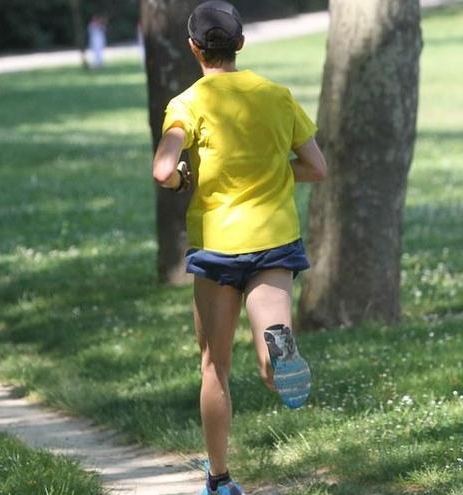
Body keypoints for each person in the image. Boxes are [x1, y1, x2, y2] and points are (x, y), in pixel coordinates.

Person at [150, 2, 327, 494]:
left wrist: (186, 175)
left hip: (219, 248)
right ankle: (277, 358)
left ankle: (221, 480)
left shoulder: (187, 103)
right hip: (273, 242)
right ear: (241, 45)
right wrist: (270, 173)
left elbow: (164, 170)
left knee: (215, 365)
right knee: (271, 335)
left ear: (193, 48)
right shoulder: (276, 96)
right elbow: (317, 168)